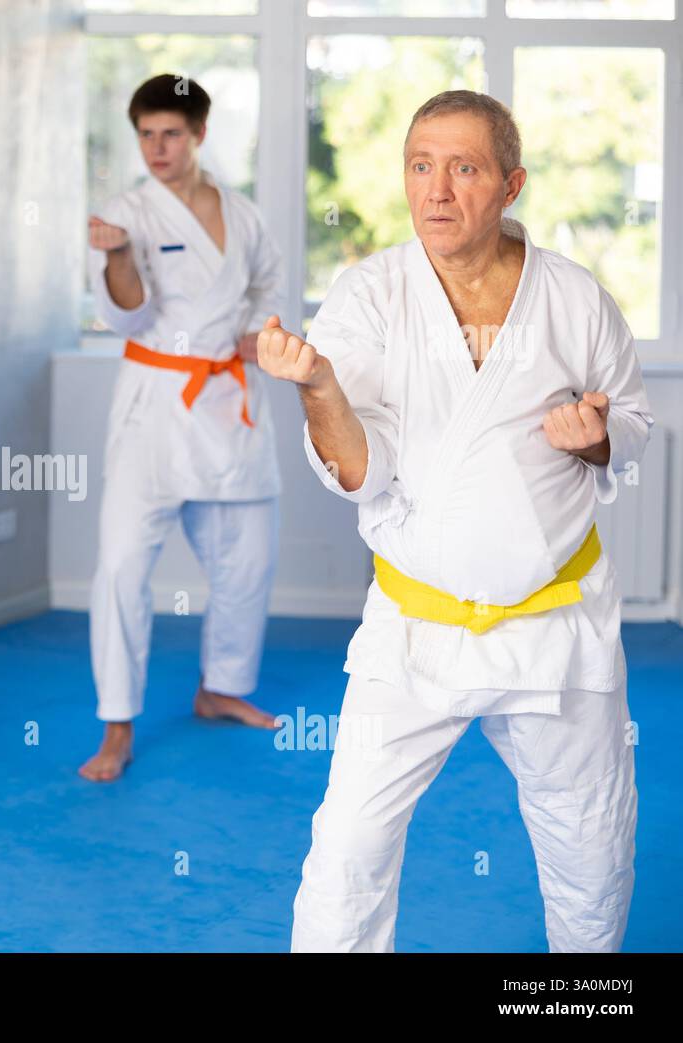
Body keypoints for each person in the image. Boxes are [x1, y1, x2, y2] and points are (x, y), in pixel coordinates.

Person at [257, 89, 652, 952]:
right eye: (420, 165)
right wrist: (320, 389)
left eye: (463, 168)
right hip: (415, 629)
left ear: (510, 185)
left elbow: (633, 427)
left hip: (556, 621)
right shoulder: (370, 294)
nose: (436, 190)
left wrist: (595, 438)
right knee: (347, 848)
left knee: (590, 843)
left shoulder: (576, 299)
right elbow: (364, 468)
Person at [80, 74, 286, 783]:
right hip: (156, 405)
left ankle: (221, 685)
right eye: (145, 135)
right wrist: (114, 256)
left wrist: (260, 333)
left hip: (230, 398)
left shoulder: (245, 214)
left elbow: (266, 288)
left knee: (247, 559)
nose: (157, 148)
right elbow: (128, 316)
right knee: (121, 568)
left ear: (199, 134)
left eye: (171, 134)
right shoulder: (125, 213)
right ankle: (116, 723)